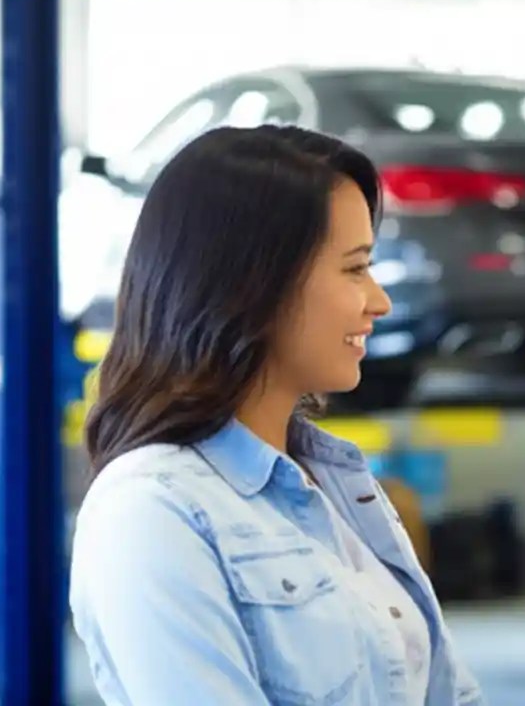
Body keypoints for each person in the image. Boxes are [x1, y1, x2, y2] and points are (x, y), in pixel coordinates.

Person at [69, 124, 484, 706]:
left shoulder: (341, 487)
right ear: (252, 283)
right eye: (354, 268)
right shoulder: (152, 511)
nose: (379, 301)